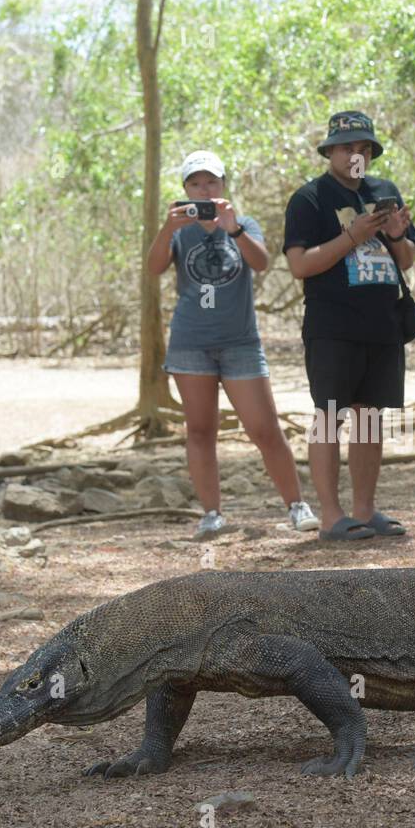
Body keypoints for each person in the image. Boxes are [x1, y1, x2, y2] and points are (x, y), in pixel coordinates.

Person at [146, 149, 319, 540]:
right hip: (191, 344)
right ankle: (211, 513)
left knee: (265, 428)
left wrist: (233, 228)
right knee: (200, 430)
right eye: (195, 183)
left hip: (241, 342)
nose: (204, 189)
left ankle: (296, 505)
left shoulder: (244, 223)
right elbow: (154, 268)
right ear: (186, 189)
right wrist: (166, 229)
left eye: (211, 182)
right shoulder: (180, 230)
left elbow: (261, 263)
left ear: (223, 185)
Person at [282, 111, 415, 541]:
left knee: (368, 419)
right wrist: (353, 236)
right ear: (330, 152)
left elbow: (408, 259)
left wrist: (396, 236)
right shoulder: (310, 198)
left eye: (364, 148)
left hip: (382, 325)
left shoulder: (385, 192)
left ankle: (364, 510)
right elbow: (299, 265)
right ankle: (330, 516)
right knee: (329, 417)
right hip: (332, 325)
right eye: (347, 148)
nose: (356, 155)